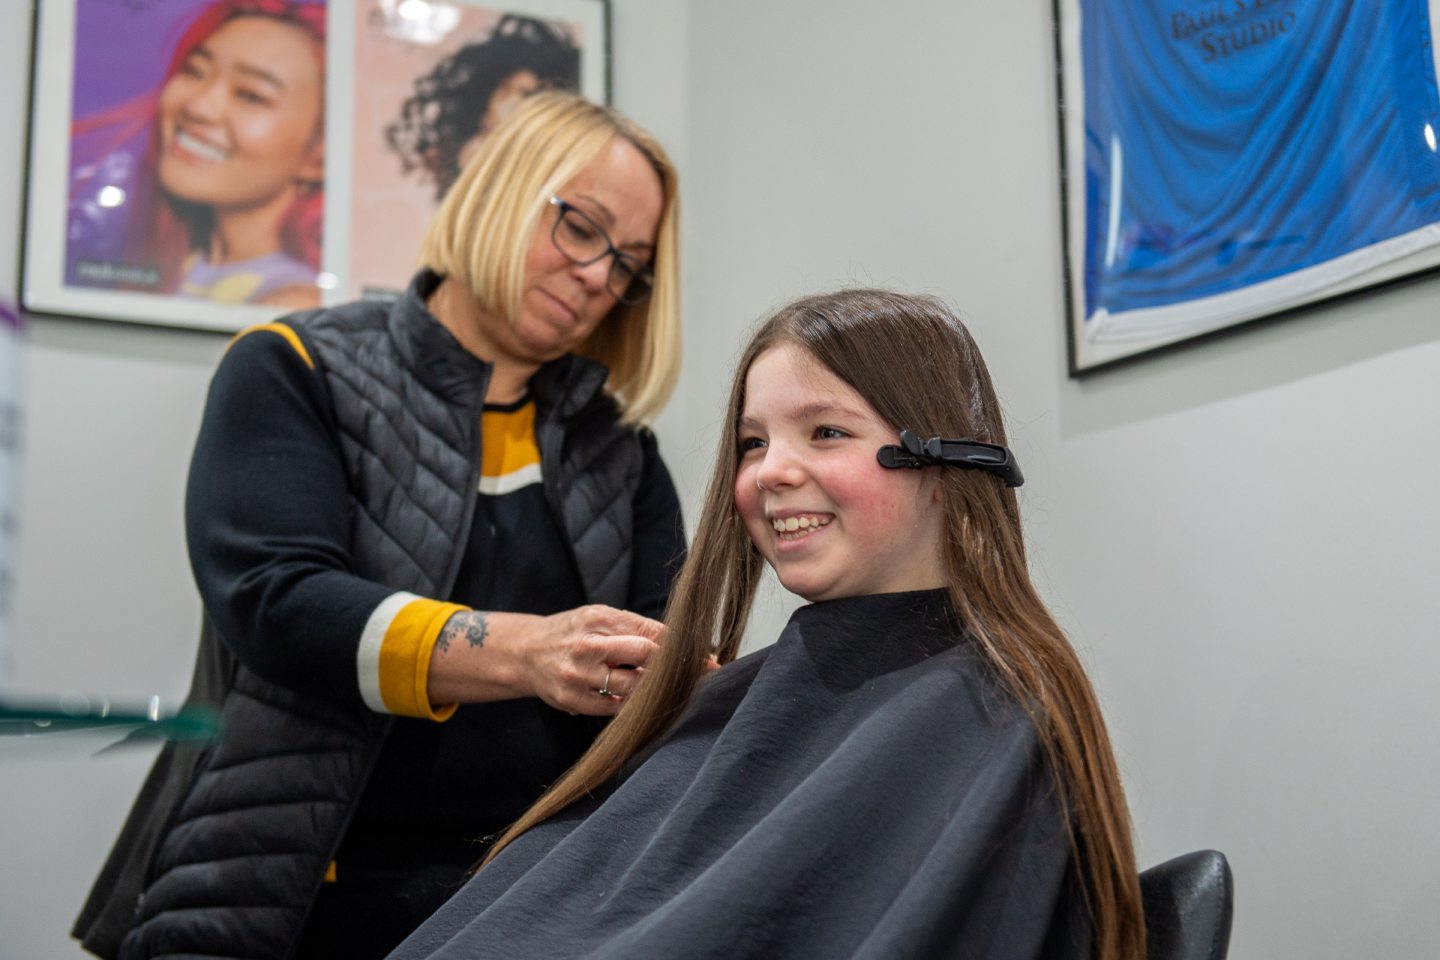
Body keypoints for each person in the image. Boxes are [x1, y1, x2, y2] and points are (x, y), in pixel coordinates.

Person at [72, 91, 685, 960]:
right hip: (289, 894)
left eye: (628, 263)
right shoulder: (294, 369)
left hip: (523, 913)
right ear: (496, 190)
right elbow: (277, 603)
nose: (598, 276)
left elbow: (655, 680)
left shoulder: (621, 456)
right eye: (581, 228)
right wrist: (525, 652)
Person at [386, 289, 1147, 960]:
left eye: (825, 433)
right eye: (754, 443)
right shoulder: (743, 697)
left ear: (945, 464)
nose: (769, 472)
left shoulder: (986, 710)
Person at [67, 0, 325, 307]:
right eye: (195, 70)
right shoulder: (179, 266)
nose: (198, 106)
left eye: (251, 95)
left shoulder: (288, 302)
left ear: (318, 156)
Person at [385, 15, 582, 201]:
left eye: (546, 100)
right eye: (526, 94)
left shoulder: (540, 167)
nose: (534, 108)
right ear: (495, 91)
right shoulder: (464, 155)